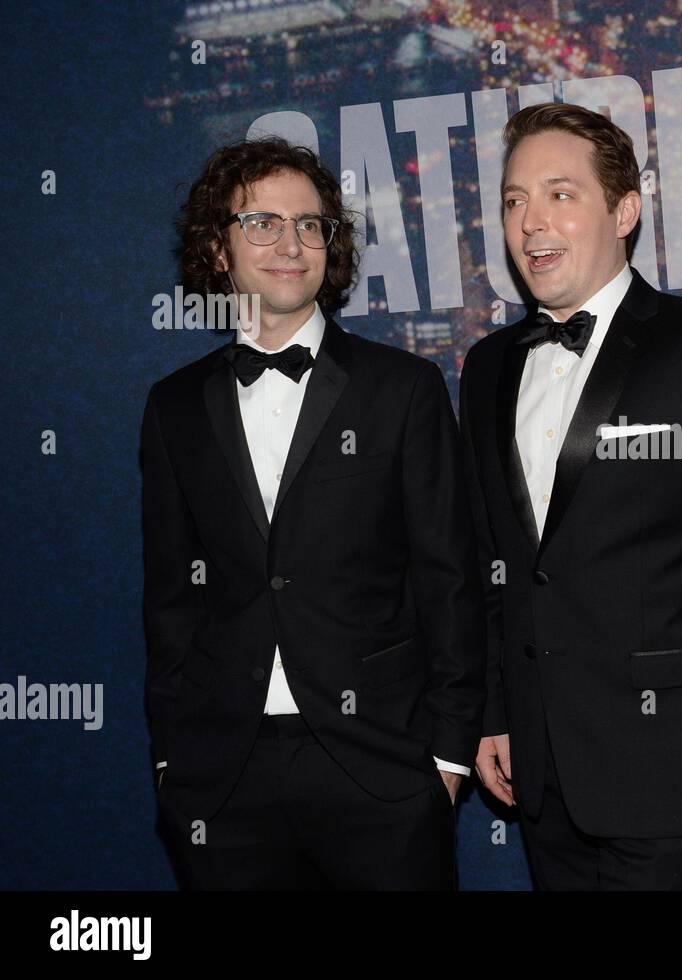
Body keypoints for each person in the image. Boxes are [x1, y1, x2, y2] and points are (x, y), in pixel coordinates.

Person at [462, 102, 682, 889]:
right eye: (515, 200)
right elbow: (497, 565)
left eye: (561, 194)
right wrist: (495, 711)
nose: (531, 223)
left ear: (624, 211)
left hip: (679, 772)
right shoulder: (487, 368)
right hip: (544, 775)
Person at [141, 137, 484, 889]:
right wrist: (172, 757)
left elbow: (449, 580)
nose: (290, 244)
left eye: (310, 225)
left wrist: (447, 760)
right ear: (217, 248)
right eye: (260, 222)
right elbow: (171, 598)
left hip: (381, 768)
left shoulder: (404, 389)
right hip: (222, 776)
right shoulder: (173, 408)